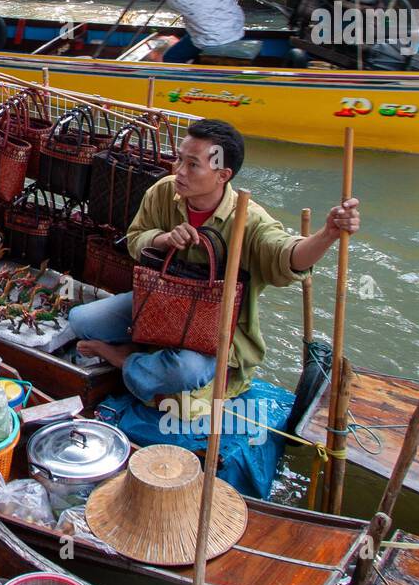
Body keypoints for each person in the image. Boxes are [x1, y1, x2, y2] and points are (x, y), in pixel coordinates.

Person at [68, 118, 360, 404]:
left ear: (223, 175)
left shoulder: (249, 219)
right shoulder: (163, 191)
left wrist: (327, 234)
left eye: (192, 165)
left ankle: (123, 358)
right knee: (81, 320)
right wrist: (164, 239)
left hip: (214, 329)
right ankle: (146, 350)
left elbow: (288, 255)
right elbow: (136, 239)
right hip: (158, 306)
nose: (179, 171)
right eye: (180, 159)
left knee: (186, 370)